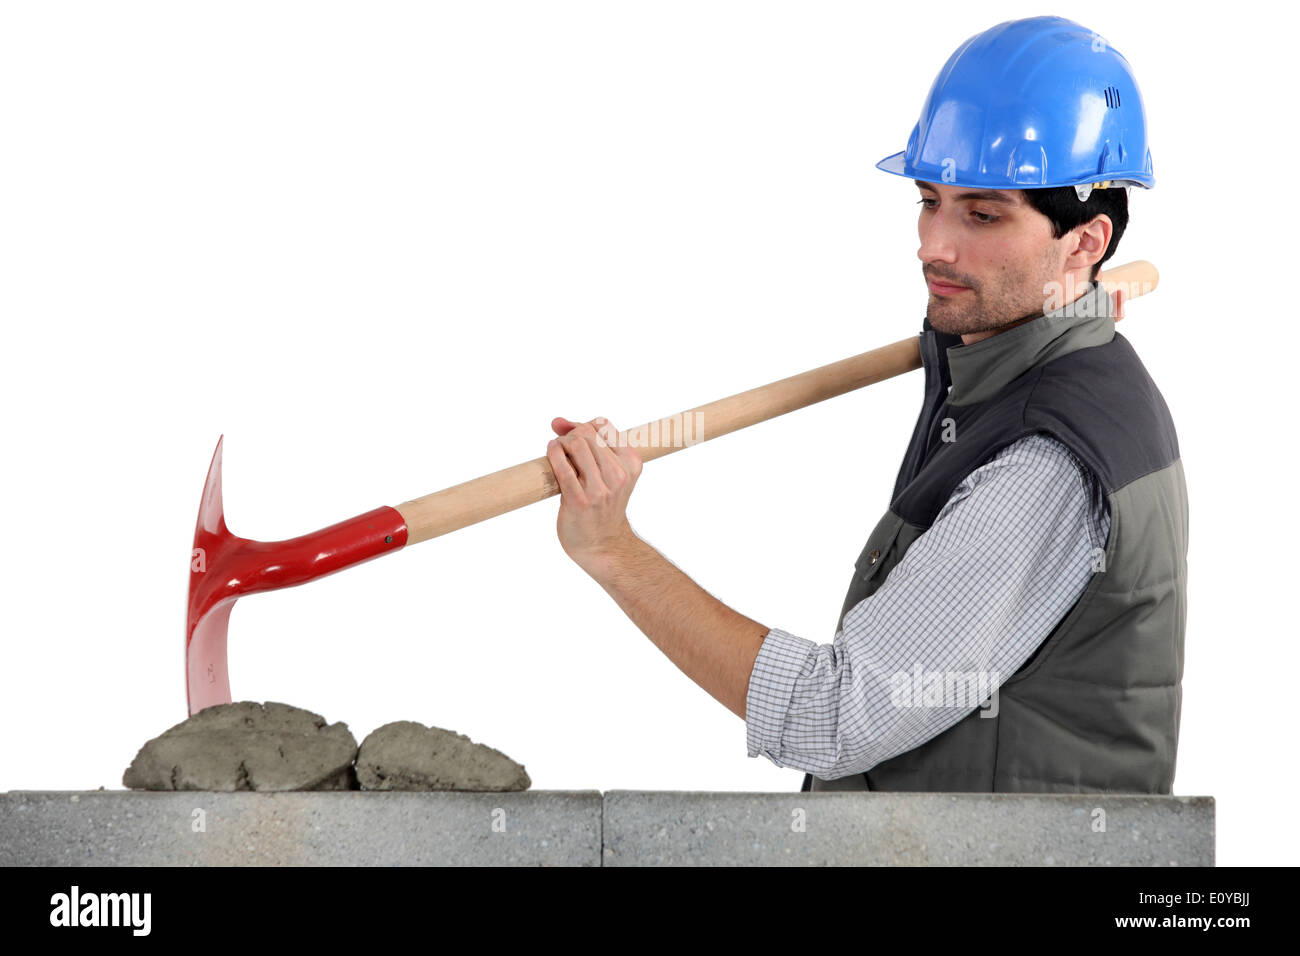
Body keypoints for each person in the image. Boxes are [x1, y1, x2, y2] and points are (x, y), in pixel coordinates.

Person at [544, 16, 1187, 794]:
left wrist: (614, 550)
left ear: (1084, 242)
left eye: (982, 214)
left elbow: (834, 716)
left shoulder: (1044, 457)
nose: (933, 245)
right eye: (929, 200)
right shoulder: (999, 366)